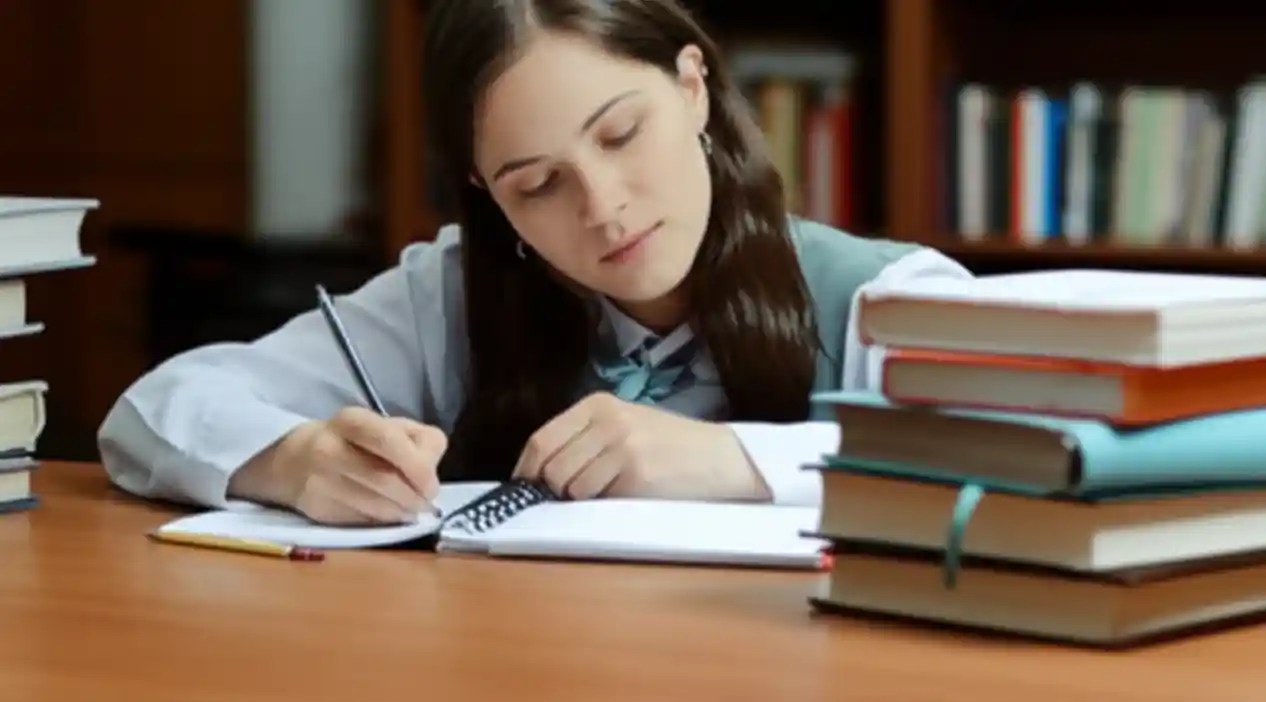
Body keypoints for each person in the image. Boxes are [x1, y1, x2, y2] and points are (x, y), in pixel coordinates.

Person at [96, 0, 972, 526]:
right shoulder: (449, 295)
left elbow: (1028, 458)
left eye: (622, 135)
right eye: (537, 184)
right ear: (486, 195)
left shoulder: (886, 296)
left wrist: (730, 461)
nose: (602, 206)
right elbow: (159, 408)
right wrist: (290, 462)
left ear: (693, 85)